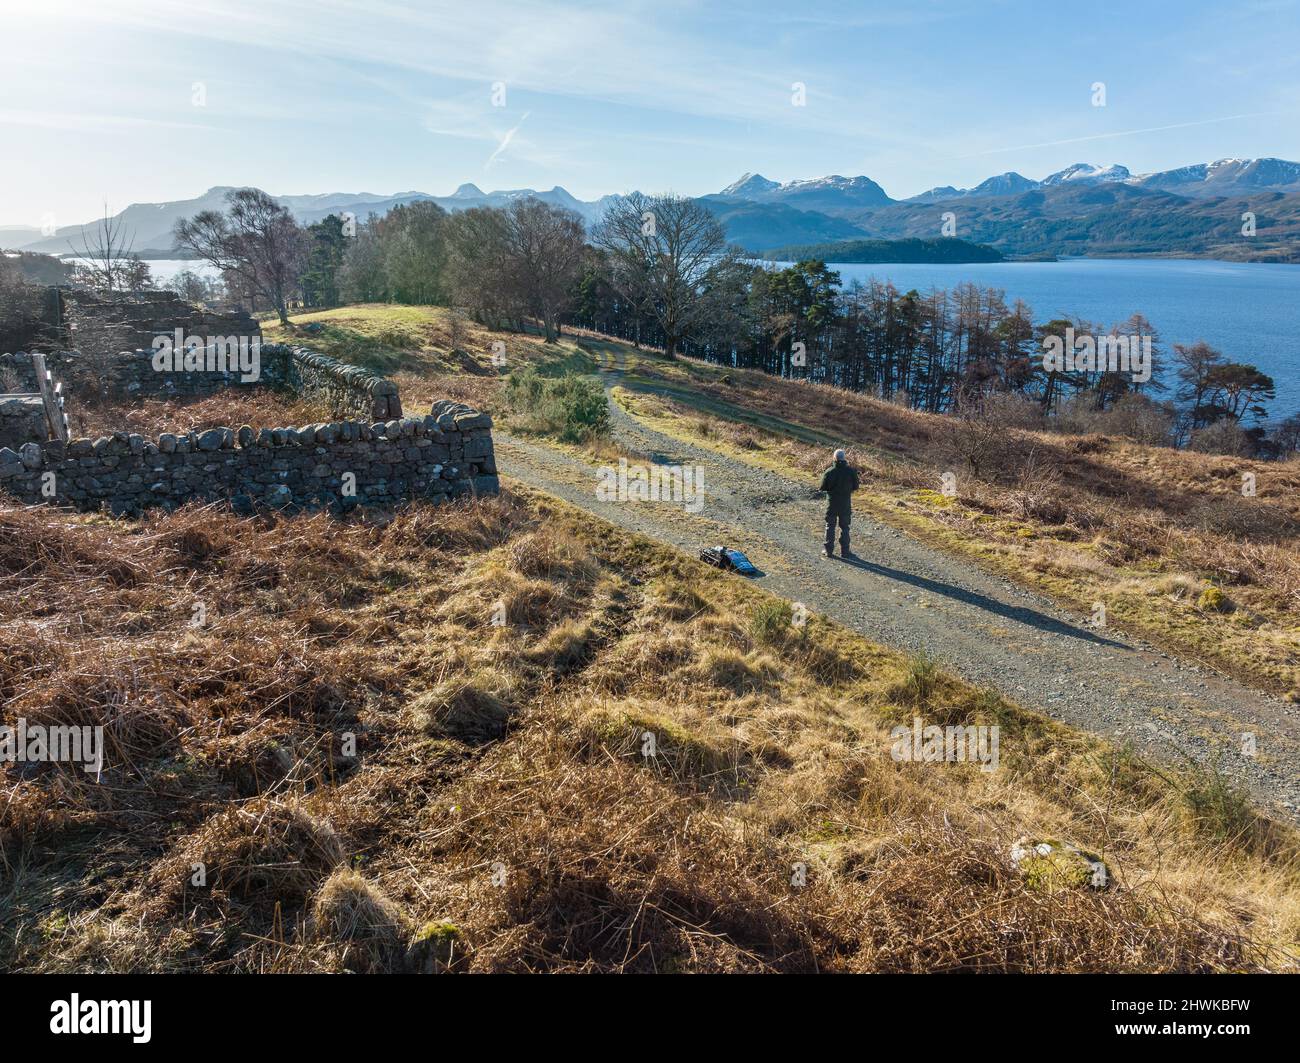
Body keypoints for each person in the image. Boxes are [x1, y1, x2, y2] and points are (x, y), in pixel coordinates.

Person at [818, 448, 859, 558]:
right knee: (845, 527)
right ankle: (845, 552)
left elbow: (822, 487)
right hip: (845, 504)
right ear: (844, 458)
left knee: (830, 526)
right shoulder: (851, 471)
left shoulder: (829, 472)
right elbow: (856, 487)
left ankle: (828, 550)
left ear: (834, 458)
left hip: (831, 504)